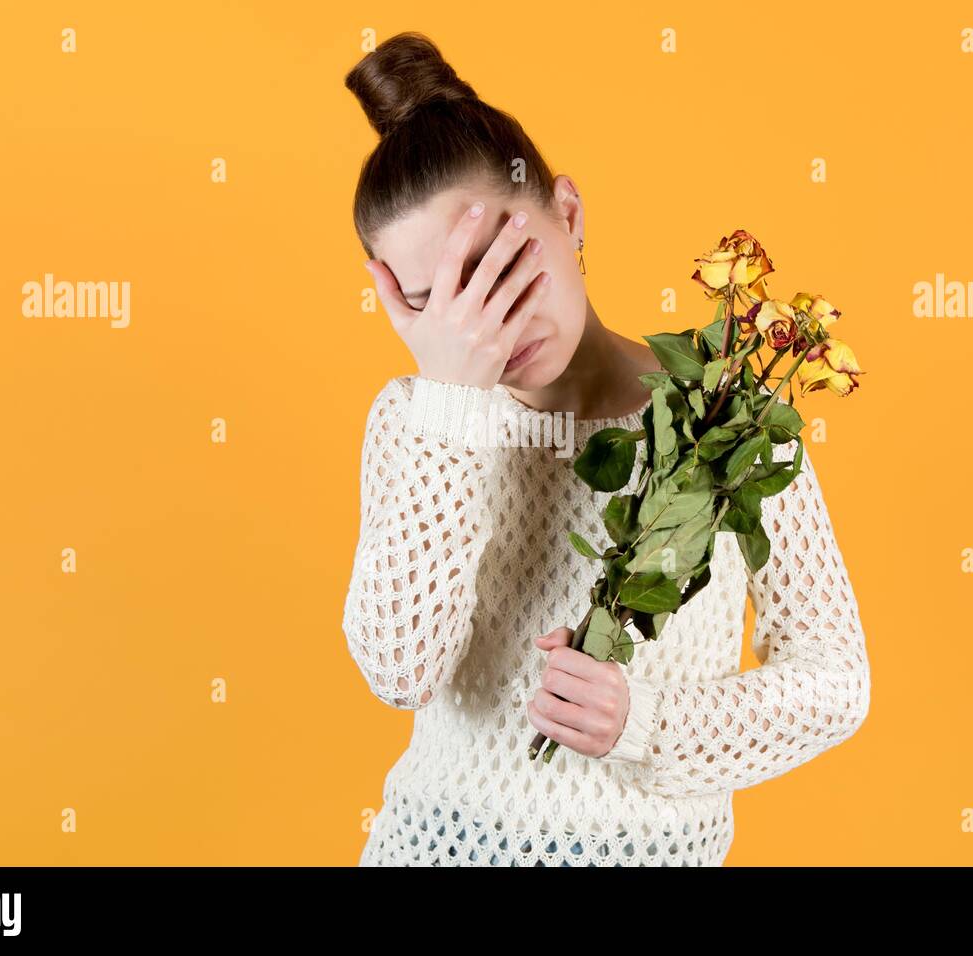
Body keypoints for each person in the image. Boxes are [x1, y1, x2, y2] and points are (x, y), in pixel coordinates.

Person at [340, 31, 871, 866]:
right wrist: (449, 399)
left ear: (570, 215)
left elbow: (835, 680)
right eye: (436, 302)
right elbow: (400, 669)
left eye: (503, 270)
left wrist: (649, 723)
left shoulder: (727, 415)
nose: (488, 325)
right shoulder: (416, 422)